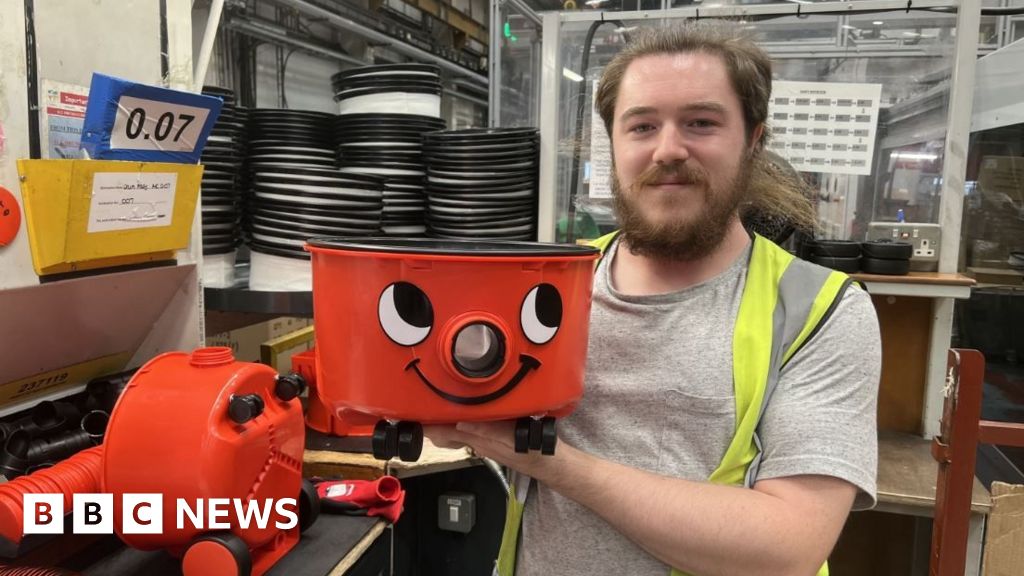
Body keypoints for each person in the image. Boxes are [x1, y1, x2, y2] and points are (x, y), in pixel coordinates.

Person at [426, 22, 881, 576]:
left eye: (701, 123)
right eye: (642, 126)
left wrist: (554, 464)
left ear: (753, 139)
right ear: (612, 144)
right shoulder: (548, 286)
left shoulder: (820, 312)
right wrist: (456, 413)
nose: (669, 149)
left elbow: (788, 546)